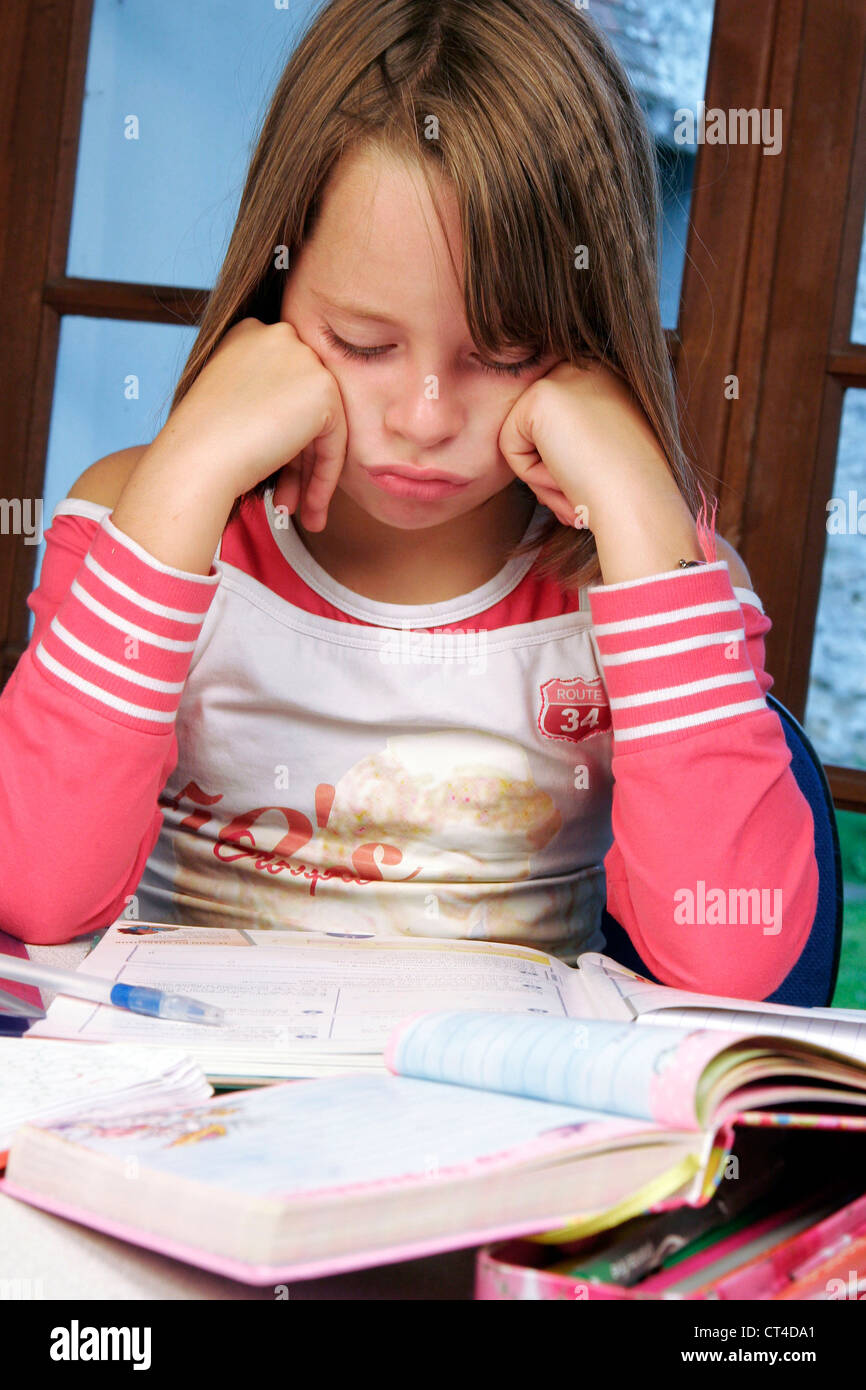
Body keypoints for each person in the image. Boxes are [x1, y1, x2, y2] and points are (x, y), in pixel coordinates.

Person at [0, 0, 818, 998]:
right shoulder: (141, 517)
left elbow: (730, 959)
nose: (425, 418)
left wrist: (641, 514)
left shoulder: (654, 572)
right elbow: (33, 893)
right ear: (275, 289)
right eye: (362, 345)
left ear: (590, 336)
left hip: (501, 1117)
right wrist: (185, 475)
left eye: (503, 353)